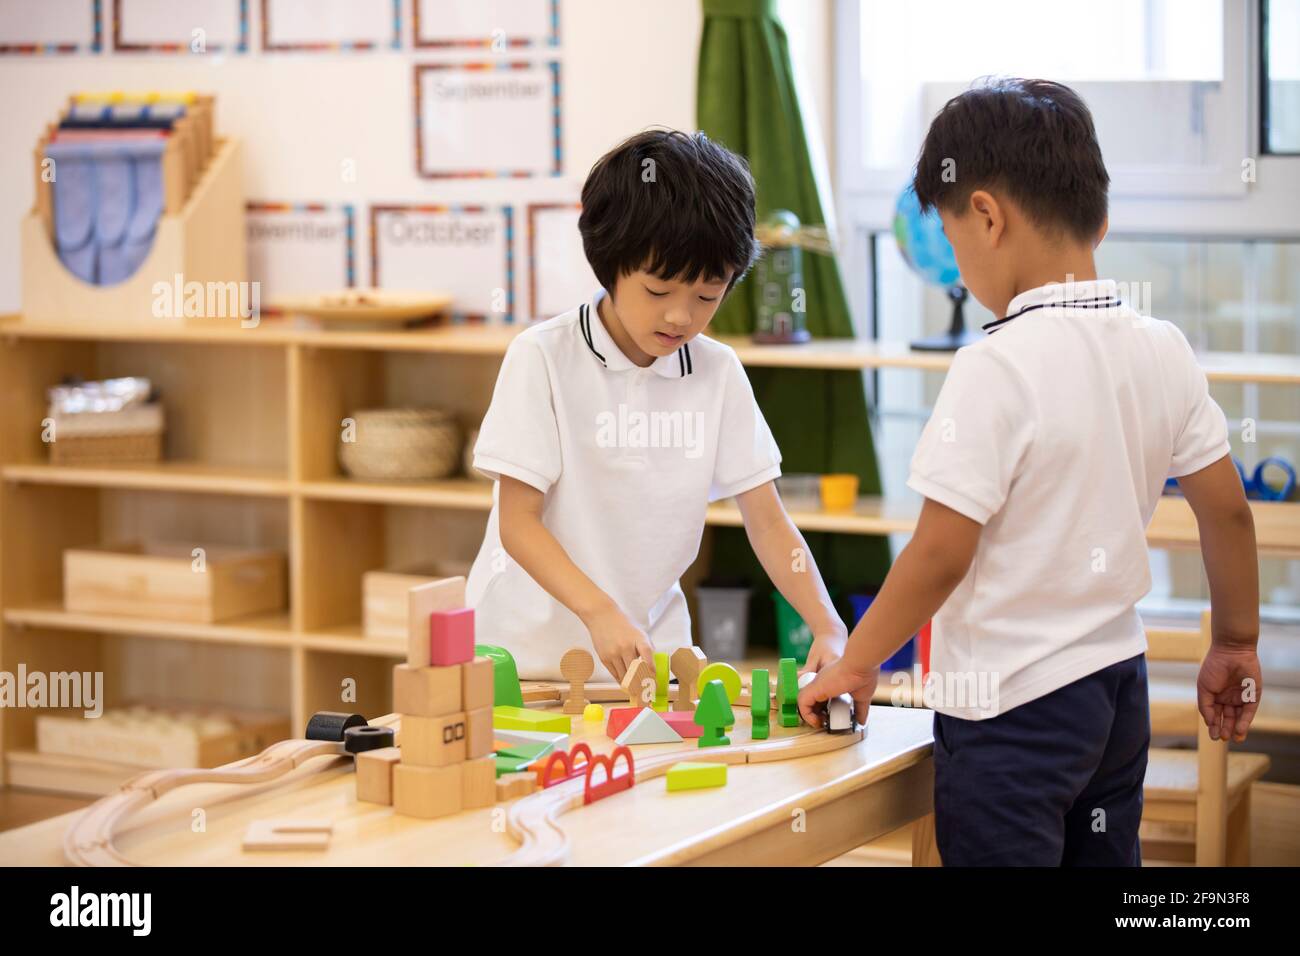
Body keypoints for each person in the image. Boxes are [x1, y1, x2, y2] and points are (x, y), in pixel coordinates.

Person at [798, 78, 1262, 866]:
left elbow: (941, 553)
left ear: (985, 216)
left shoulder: (995, 366)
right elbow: (1227, 514)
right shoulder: (1162, 347)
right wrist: (1236, 641)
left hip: (1009, 709)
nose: (958, 261)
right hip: (1118, 688)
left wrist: (856, 660)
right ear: (1099, 218)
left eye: (950, 238)